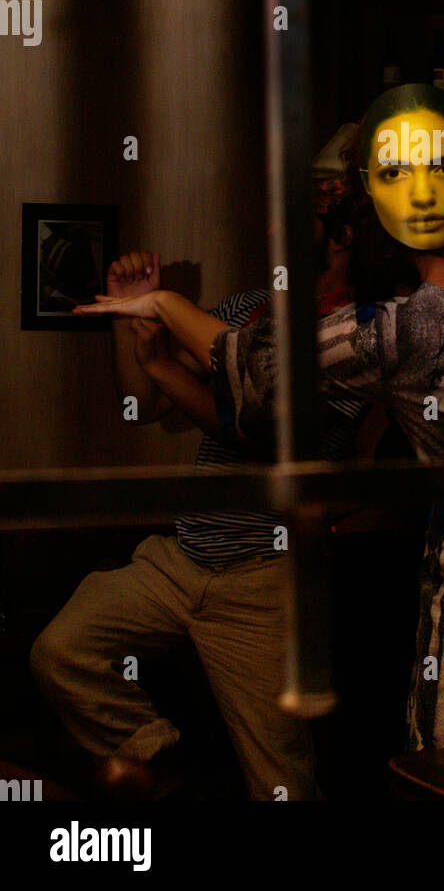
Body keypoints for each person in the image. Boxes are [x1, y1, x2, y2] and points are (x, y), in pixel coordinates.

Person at [74, 84, 444, 750]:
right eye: (396, 173)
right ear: (369, 193)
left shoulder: (389, 333)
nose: (421, 195)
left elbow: (253, 370)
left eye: (441, 167)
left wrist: (164, 305)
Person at [31, 179, 358, 800]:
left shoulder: (354, 330)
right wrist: (131, 323)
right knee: (61, 651)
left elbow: (257, 432)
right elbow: (142, 403)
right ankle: (161, 766)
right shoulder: (240, 311)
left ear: (342, 237)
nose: (272, 232)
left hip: (264, 576)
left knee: (281, 780)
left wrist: (163, 331)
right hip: (181, 557)